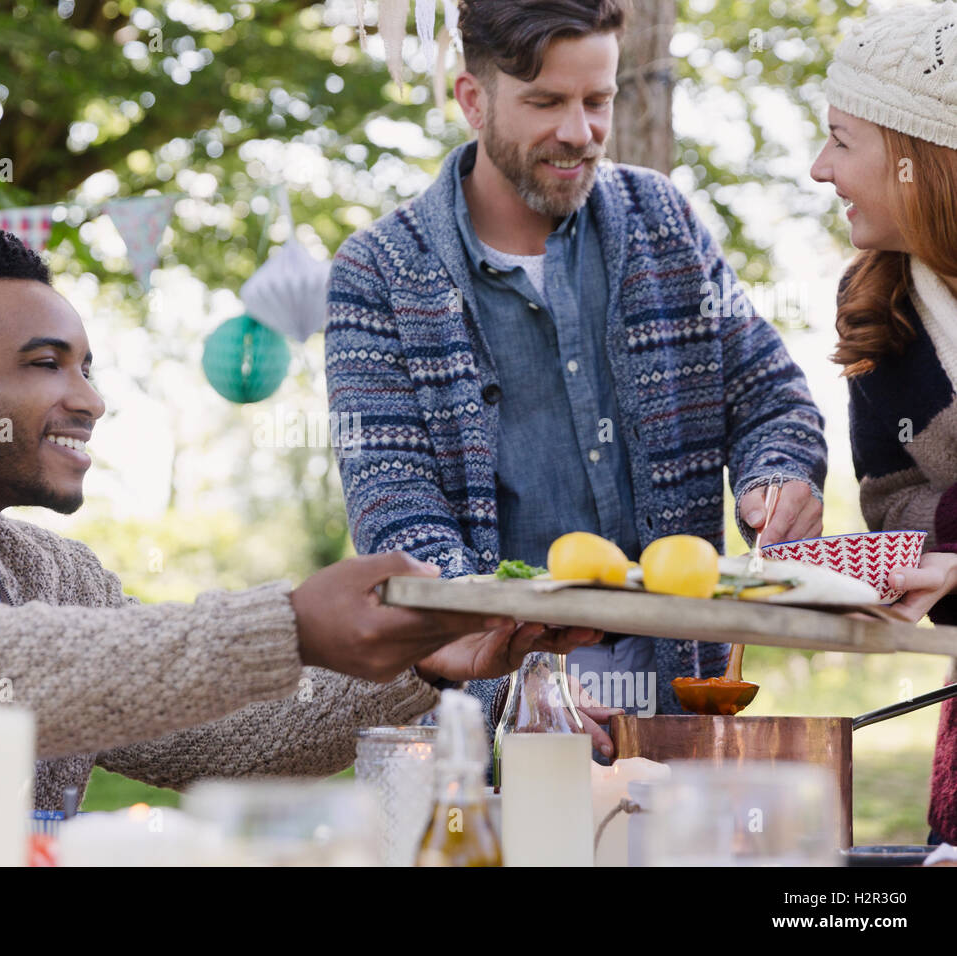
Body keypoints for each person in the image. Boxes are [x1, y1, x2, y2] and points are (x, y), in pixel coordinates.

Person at [0, 220, 613, 838]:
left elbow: (223, 736)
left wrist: (421, 663)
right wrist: (284, 621)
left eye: (88, 367)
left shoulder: (54, 574)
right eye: (48, 365)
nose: (90, 400)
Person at [324, 0, 829, 742]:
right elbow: (397, 513)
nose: (579, 132)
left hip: (679, 698)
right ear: (473, 99)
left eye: (598, 101)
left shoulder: (663, 221)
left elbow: (767, 395)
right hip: (488, 727)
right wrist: (521, 691)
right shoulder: (378, 273)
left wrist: (777, 474)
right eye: (546, 102)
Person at [811, 0, 957, 846]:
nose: (818, 167)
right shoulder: (879, 302)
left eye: (841, 138)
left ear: (915, 158)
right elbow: (890, 505)